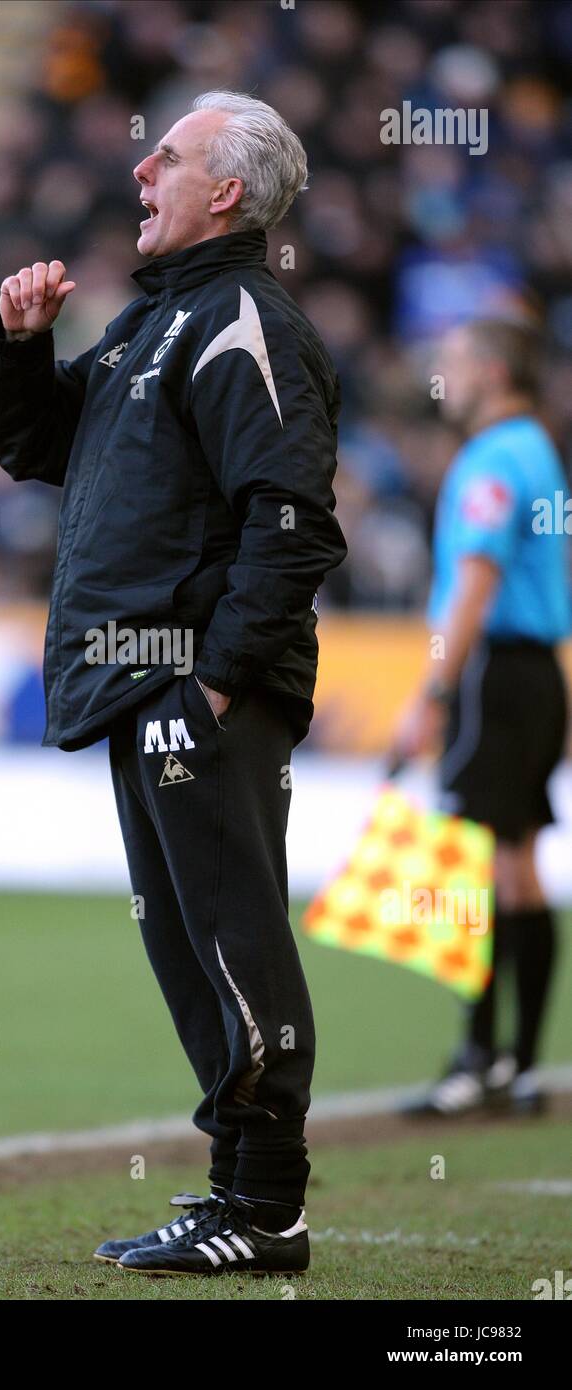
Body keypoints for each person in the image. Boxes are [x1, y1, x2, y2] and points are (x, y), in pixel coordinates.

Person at [0, 90, 346, 1276]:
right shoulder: (155, 325)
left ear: (224, 190)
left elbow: (288, 524)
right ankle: (237, 1193)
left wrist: (218, 686)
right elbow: (38, 447)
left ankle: (266, 1206)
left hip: (195, 691)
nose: (140, 168)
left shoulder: (244, 317)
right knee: (193, 957)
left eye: (168, 156)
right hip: (145, 688)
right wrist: (20, 346)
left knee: (234, 942)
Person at [394, 318, 570, 1119]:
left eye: (456, 361)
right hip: (537, 672)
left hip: (494, 674)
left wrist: (433, 691)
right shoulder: (540, 451)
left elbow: (474, 580)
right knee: (519, 866)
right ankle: (520, 1065)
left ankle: (476, 1060)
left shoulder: (494, 459)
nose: (444, 375)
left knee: (475, 863)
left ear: (494, 371)